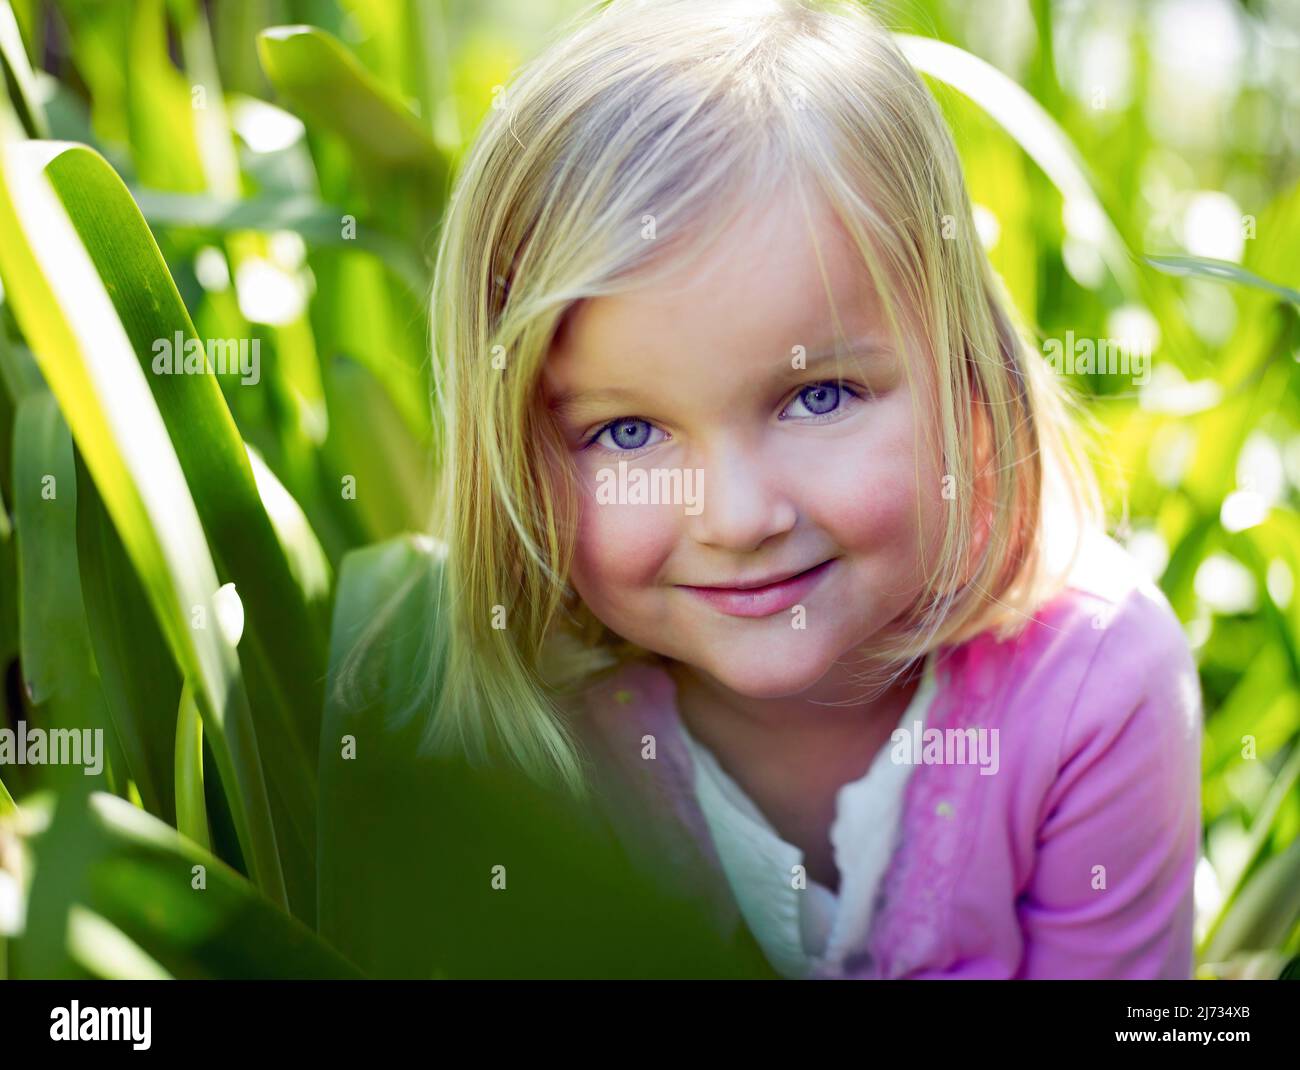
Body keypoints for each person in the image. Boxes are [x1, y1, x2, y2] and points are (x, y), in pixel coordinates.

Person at [416, 0, 1203, 979]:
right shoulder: (524, 720)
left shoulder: (1092, 689)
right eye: (625, 430)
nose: (740, 517)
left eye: (818, 395)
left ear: (967, 375)